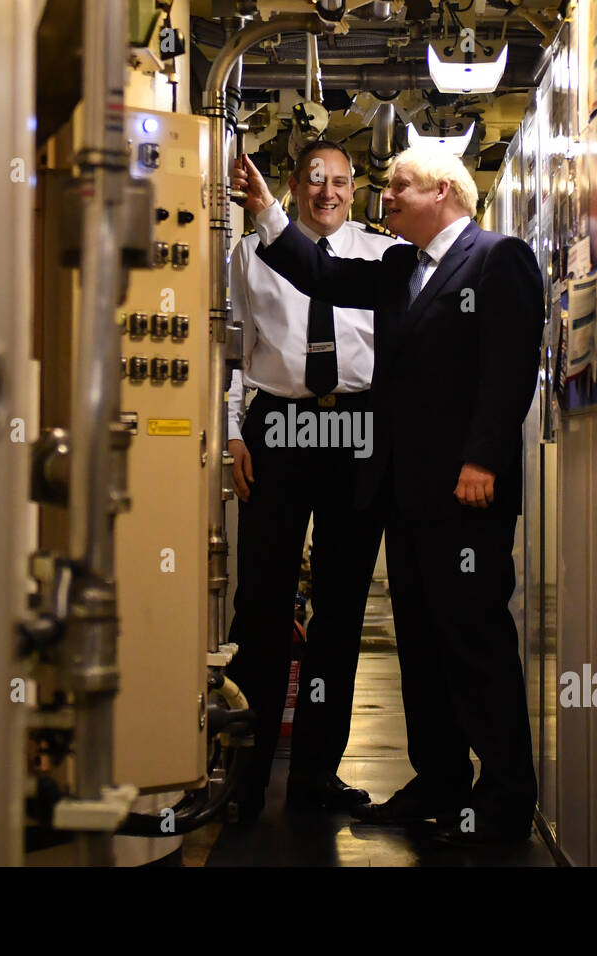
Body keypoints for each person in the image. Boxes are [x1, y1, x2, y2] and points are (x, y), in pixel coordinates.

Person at [232, 144, 544, 845]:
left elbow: (508, 367)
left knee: (473, 642)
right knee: (422, 646)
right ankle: (439, 781)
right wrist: (268, 215)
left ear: (443, 191)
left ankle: (503, 798)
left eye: (398, 187)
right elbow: (319, 270)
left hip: (466, 493)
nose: (386, 198)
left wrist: (483, 460)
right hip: (404, 495)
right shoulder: (401, 267)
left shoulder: (499, 260)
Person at [224, 140, 401, 822]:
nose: (327, 192)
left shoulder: (383, 255)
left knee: (341, 605)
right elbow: (231, 349)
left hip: (354, 428)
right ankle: (245, 767)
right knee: (261, 600)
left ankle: (316, 775)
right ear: (295, 185)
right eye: (313, 179)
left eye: (339, 182)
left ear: (354, 190)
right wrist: (233, 429)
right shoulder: (248, 253)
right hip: (280, 427)